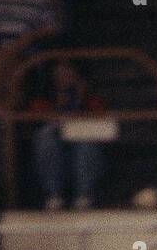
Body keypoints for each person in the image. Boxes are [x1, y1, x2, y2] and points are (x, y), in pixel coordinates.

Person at [28, 59, 106, 210]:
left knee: (86, 137)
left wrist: (80, 99)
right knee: (46, 135)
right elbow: (36, 118)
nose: (63, 77)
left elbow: (99, 119)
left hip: (84, 157)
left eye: (67, 72)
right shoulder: (43, 99)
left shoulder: (90, 98)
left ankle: (84, 196)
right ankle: (54, 196)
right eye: (59, 73)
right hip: (53, 158)